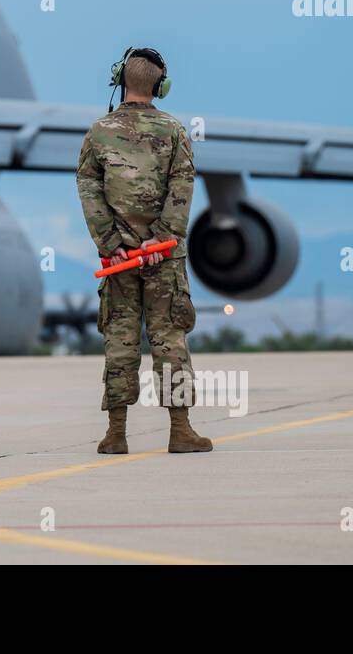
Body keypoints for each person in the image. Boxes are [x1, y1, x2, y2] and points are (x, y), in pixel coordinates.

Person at [75, 47, 212, 454]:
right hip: (163, 258)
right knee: (169, 339)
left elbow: (88, 187)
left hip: (118, 262)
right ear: (160, 86)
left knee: (120, 340)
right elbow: (182, 186)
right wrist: (162, 236)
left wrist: (111, 243)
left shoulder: (98, 132)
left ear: (120, 81)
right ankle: (181, 431)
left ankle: (116, 434)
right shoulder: (173, 131)